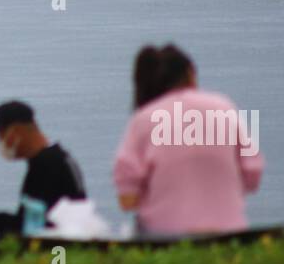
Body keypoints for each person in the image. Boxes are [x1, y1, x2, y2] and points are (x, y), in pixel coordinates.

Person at [112, 44, 264, 235]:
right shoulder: (225, 108)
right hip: (229, 234)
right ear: (190, 74)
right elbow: (253, 176)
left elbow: (127, 200)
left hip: (165, 238)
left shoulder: (143, 120)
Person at [0, 101, 87, 239]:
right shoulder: (58, 157)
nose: (0, 141)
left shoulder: (46, 164)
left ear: (15, 131)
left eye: (1, 134)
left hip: (59, 254)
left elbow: (35, 228)